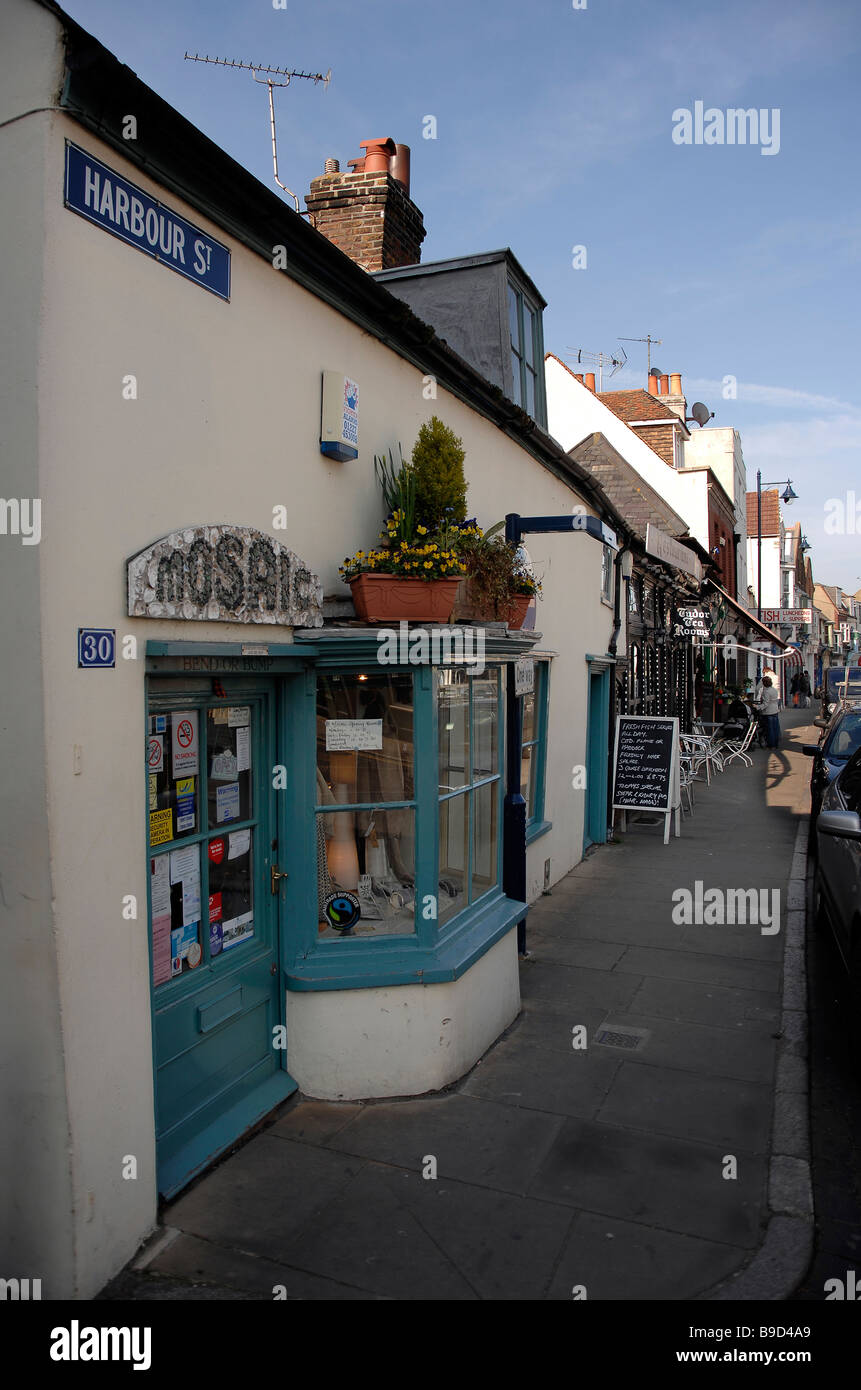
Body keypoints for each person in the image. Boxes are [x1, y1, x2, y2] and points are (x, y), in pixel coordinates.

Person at [755, 676, 781, 748]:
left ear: (764, 683)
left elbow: (766, 703)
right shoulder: (774, 690)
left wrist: (757, 707)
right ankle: (775, 744)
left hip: (768, 712)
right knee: (775, 729)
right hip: (775, 711)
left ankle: (771, 744)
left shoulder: (766, 692)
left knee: (769, 730)